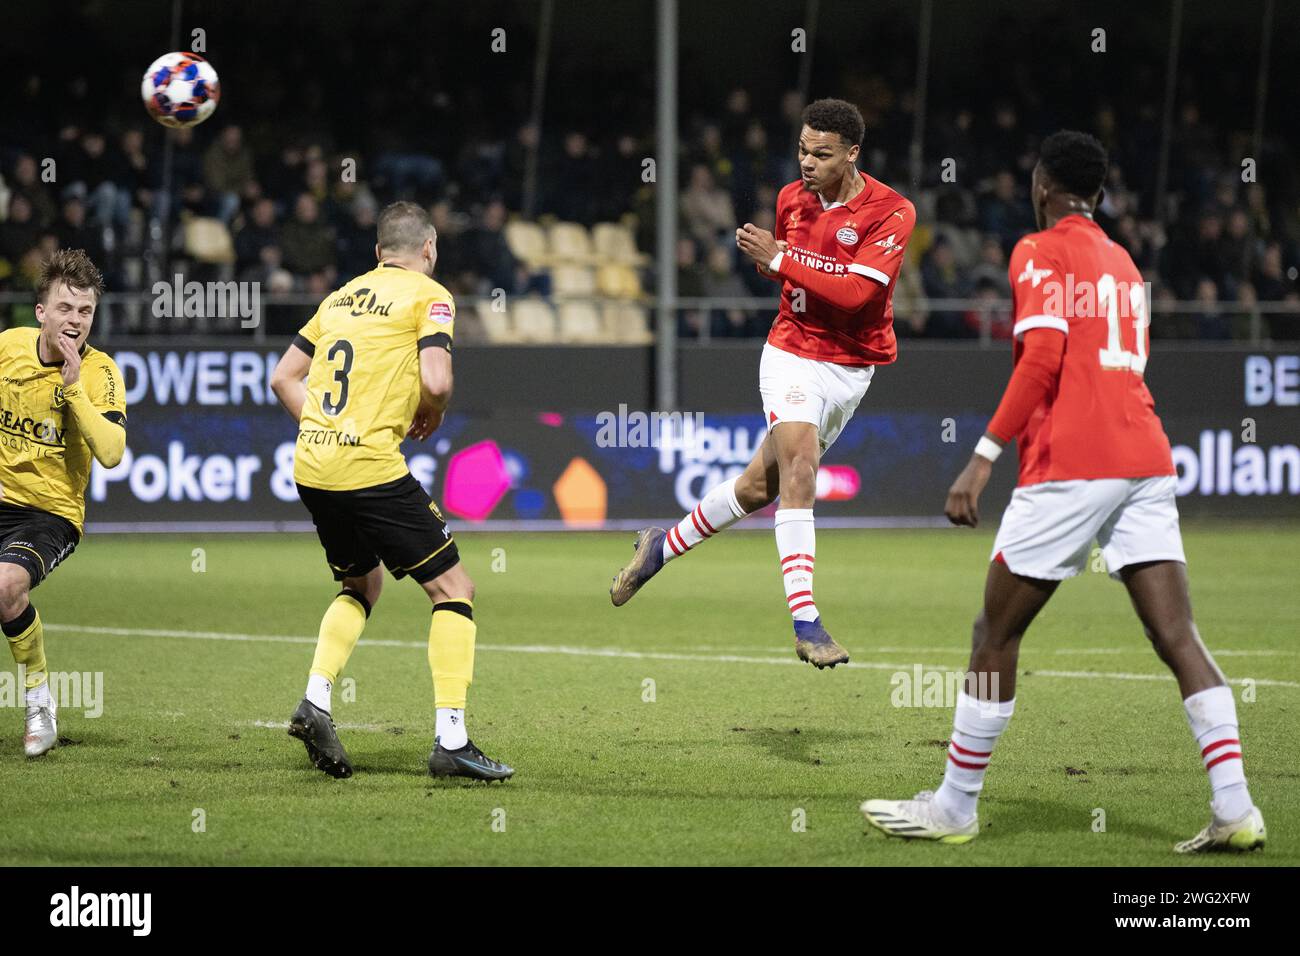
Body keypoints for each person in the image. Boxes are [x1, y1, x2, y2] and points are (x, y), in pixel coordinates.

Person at [861, 131, 1264, 854]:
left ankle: (954, 806)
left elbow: (1044, 356)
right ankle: (1234, 804)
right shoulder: (1126, 263)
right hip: (1144, 455)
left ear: (1043, 186)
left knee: (995, 634)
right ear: (1100, 196)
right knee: (1177, 636)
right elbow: (1128, 360)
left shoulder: (1037, 250)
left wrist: (983, 456)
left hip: (1073, 461)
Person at [610, 98, 915, 669]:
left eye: (821, 154)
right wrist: (775, 260)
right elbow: (778, 270)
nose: (807, 163)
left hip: (851, 369)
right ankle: (807, 620)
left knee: (757, 488)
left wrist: (781, 260)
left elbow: (857, 294)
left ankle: (661, 545)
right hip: (791, 351)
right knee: (801, 465)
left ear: (852, 155)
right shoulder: (789, 200)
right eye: (801, 149)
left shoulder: (892, 212)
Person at [270, 201, 513, 782]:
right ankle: (451, 741)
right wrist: (433, 411)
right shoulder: (430, 296)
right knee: (454, 588)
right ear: (429, 248)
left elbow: (282, 377)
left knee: (363, 581)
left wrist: (327, 426)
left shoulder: (338, 297)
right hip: (369, 467)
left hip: (312, 465)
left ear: (378, 252)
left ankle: (316, 700)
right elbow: (436, 378)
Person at [0, 250, 126, 757]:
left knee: (7, 586)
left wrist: (73, 391)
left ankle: (38, 700)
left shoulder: (100, 371)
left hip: (50, 514)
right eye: (66, 308)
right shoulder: (8, 348)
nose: (75, 321)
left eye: (85, 312)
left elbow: (113, 453)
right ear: (41, 312)